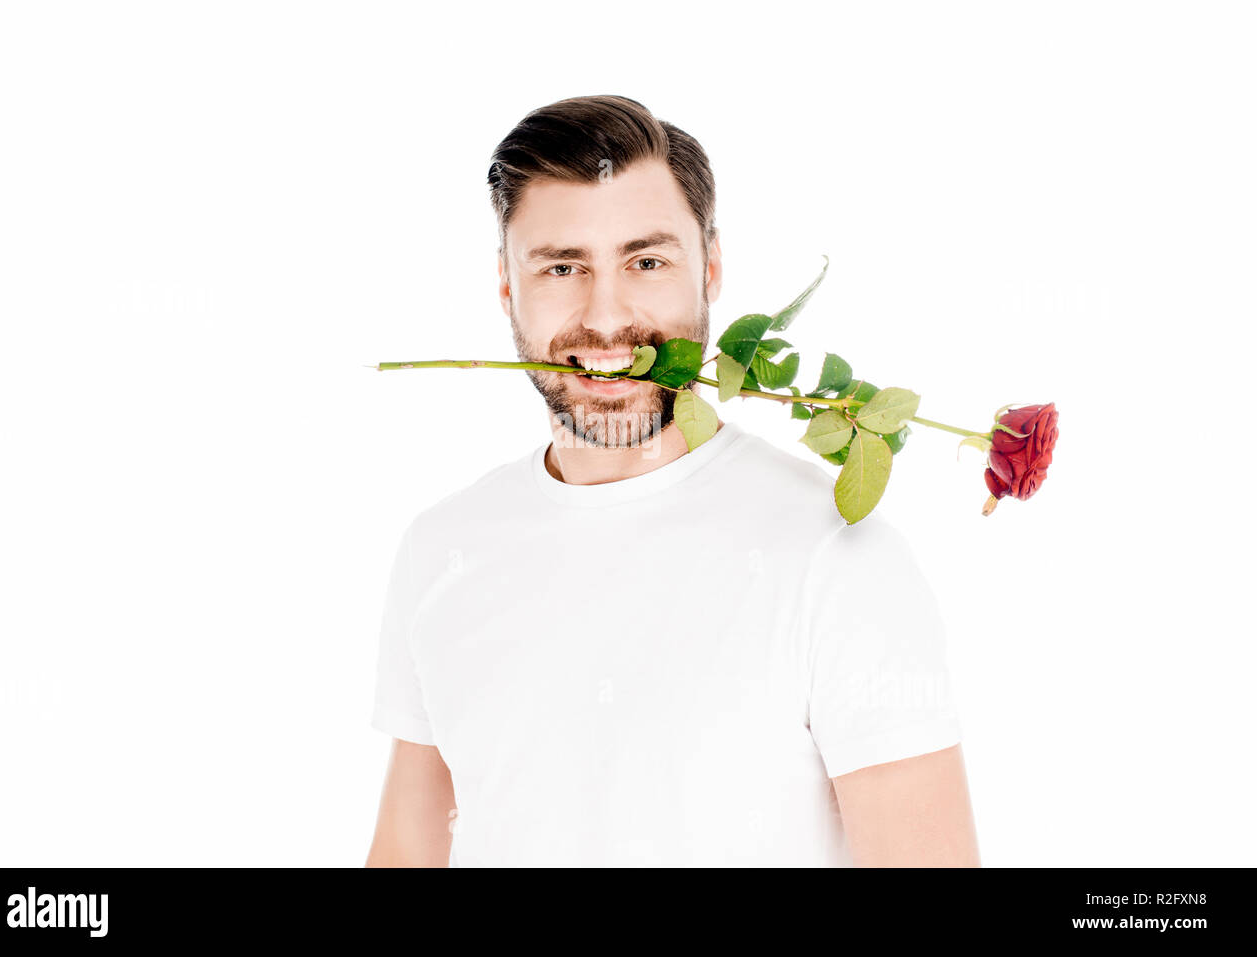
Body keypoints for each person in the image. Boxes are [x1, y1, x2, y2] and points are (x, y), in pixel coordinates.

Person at [365, 94, 980, 867]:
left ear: (712, 268)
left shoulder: (839, 557)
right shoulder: (441, 547)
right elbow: (405, 849)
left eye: (645, 261)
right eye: (562, 266)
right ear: (505, 284)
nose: (605, 313)